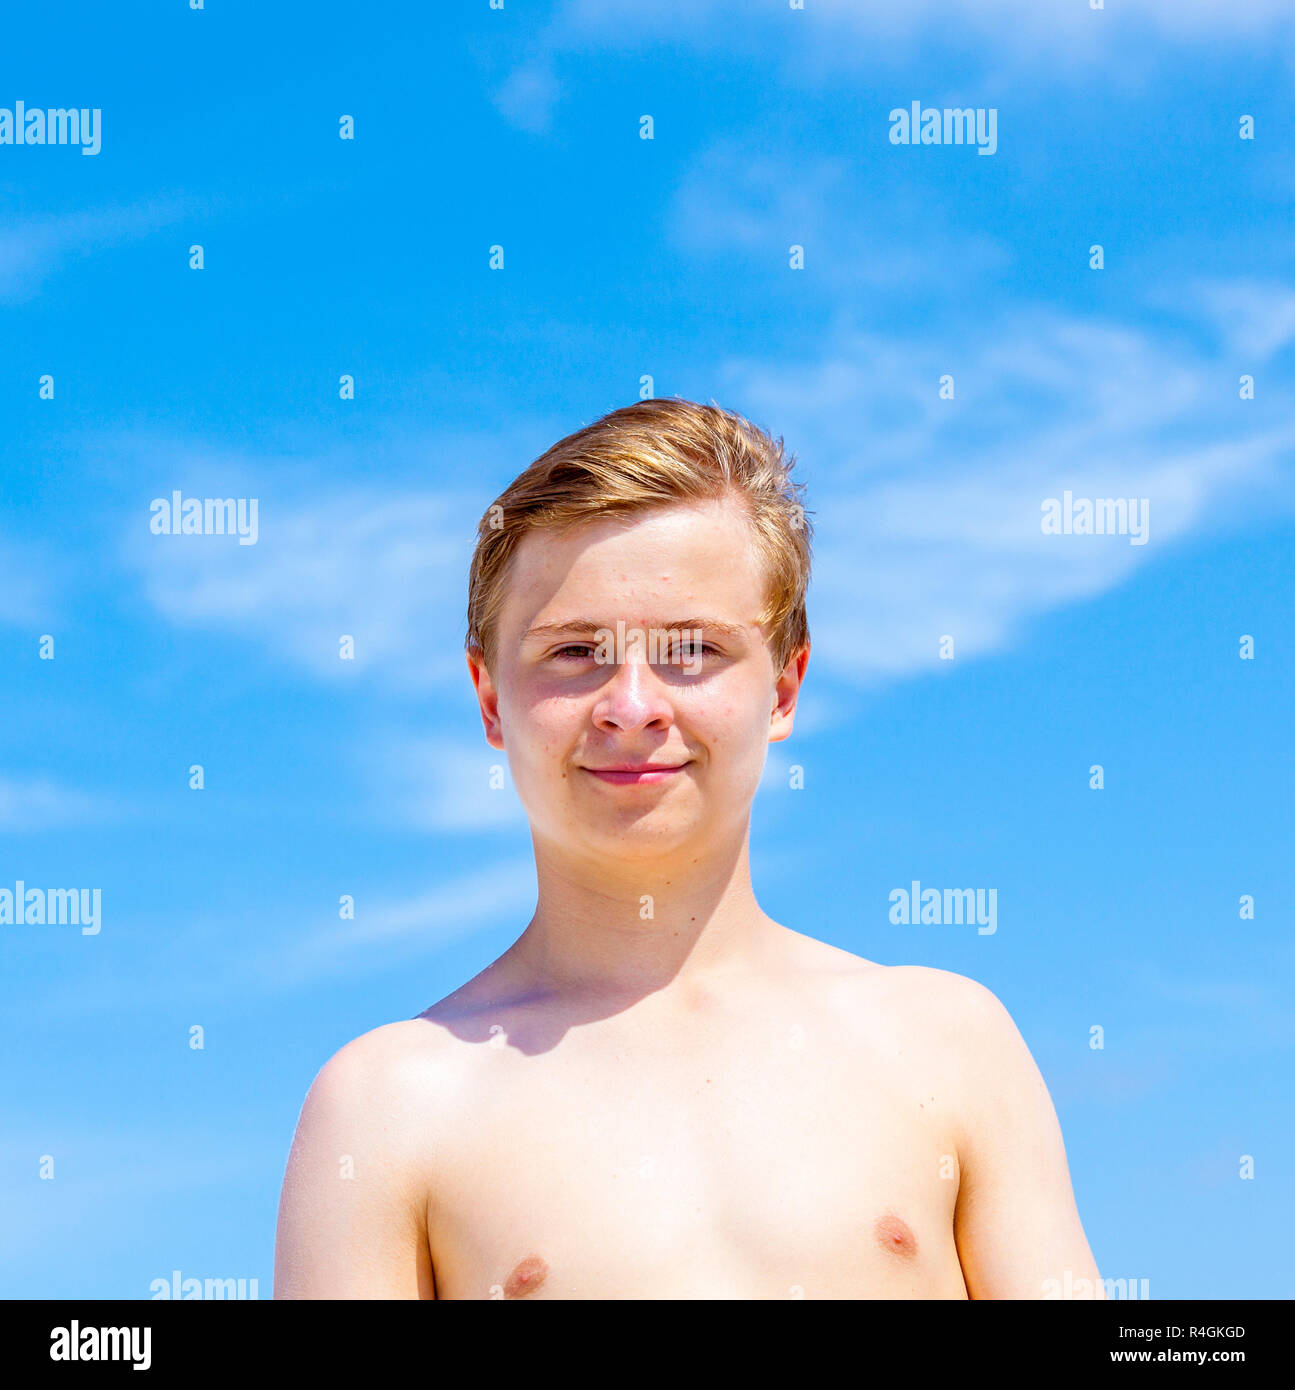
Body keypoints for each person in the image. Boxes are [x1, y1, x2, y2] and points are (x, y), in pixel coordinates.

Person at [274, 397, 1103, 1300]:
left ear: (784, 687)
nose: (631, 706)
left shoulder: (948, 1047)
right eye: (575, 650)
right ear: (488, 700)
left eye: (692, 649)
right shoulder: (386, 1108)